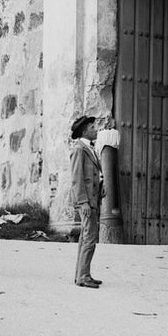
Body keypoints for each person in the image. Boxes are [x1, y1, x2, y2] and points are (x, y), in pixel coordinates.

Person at [70, 113, 103, 288]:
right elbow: (77, 178)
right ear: (84, 131)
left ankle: (82, 274)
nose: (95, 130)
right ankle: (83, 276)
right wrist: (83, 202)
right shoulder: (79, 149)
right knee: (90, 238)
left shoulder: (88, 148)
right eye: (92, 128)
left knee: (86, 237)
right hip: (87, 202)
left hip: (92, 200)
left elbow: (93, 174)